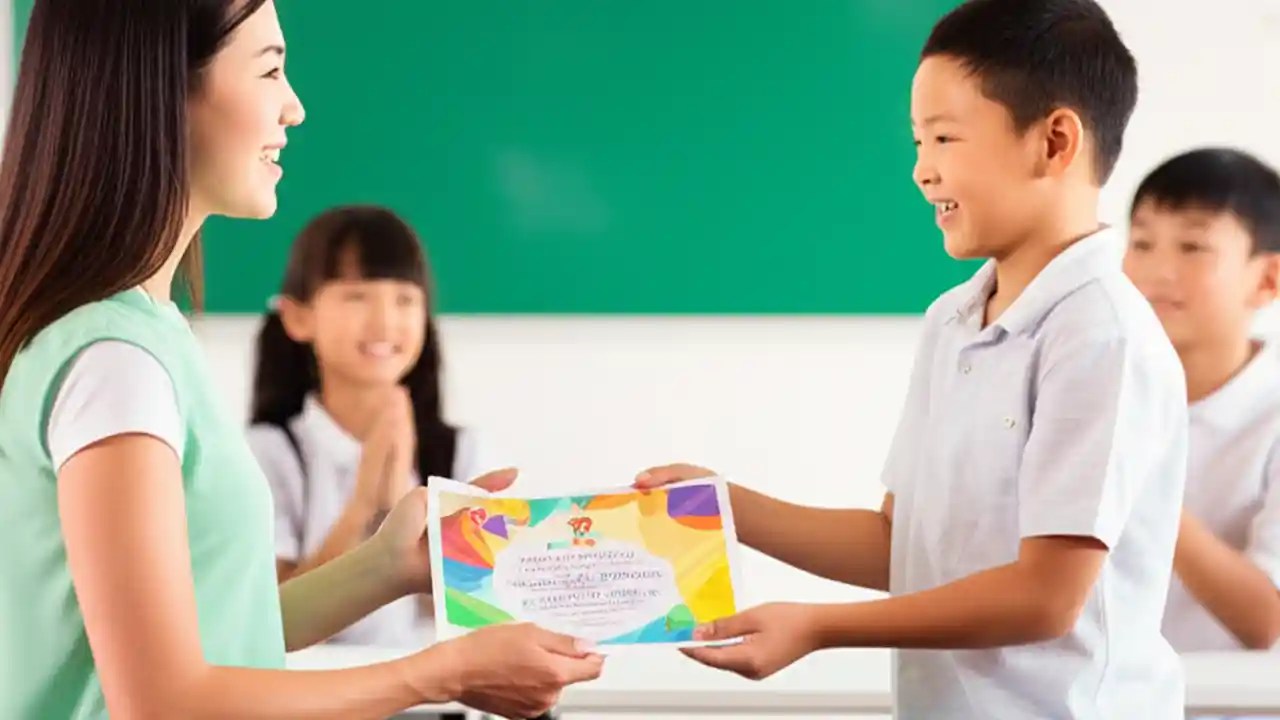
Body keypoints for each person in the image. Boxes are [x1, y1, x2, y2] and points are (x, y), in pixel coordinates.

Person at [0, 2, 600, 718]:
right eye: (271, 69)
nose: (295, 108)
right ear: (164, 89)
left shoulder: (143, 332)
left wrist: (385, 567)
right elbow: (163, 701)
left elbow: (223, 634)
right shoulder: (111, 359)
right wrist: (438, 674)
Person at [635, 1, 1188, 718]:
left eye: (945, 138)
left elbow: (1046, 597)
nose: (922, 172)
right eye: (917, 142)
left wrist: (818, 626)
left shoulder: (1101, 334)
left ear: (1054, 142)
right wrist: (724, 507)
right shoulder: (951, 320)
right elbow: (902, 545)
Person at [247, 205, 503, 649]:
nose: (385, 321)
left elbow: (483, 612)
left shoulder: (459, 450)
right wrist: (365, 507)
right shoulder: (268, 453)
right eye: (357, 297)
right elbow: (270, 620)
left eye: (405, 299)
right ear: (298, 317)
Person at [1123, 148, 1280, 657]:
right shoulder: (1103, 387)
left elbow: (1267, 621)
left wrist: (1139, 483)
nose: (1158, 270)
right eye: (1142, 242)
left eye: (1193, 245)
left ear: (1267, 280)